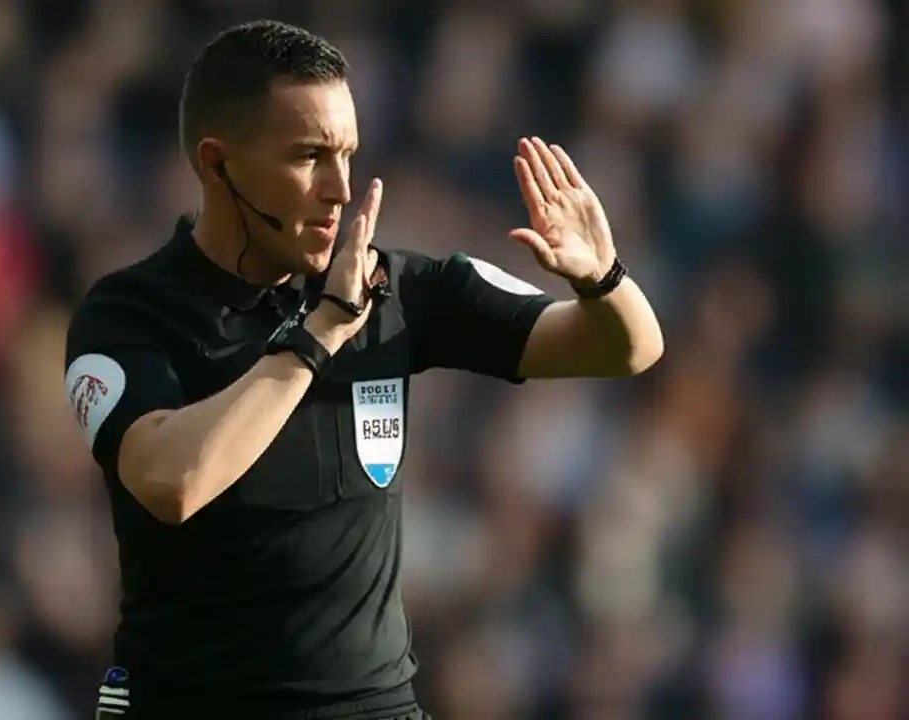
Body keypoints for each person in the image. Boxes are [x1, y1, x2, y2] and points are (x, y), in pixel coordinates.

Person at [63, 19, 663, 720]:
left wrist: (601, 278)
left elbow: (627, 348)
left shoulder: (396, 289)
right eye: (310, 156)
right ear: (217, 163)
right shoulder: (129, 314)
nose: (340, 188)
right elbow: (174, 481)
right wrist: (319, 336)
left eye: (347, 154)